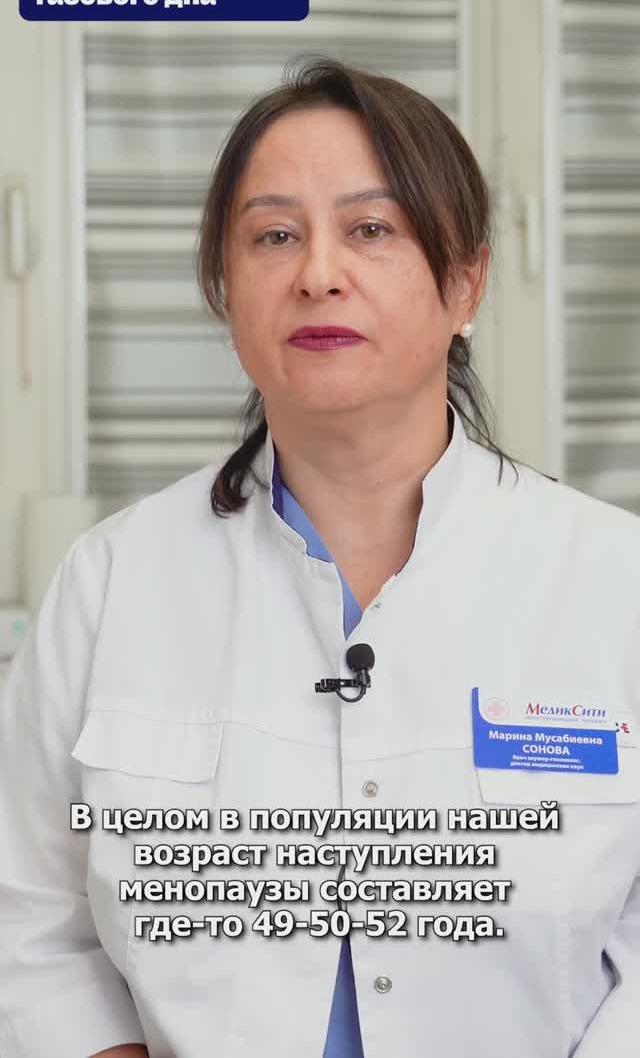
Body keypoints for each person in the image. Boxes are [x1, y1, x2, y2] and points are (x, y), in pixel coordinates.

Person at [0, 56, 639, 1058]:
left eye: (371, 229)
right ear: (226, 292)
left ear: (465, 282)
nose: (318, 274)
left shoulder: (610, 580)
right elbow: (31, 918)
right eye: (274, 235)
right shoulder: (112, 581)